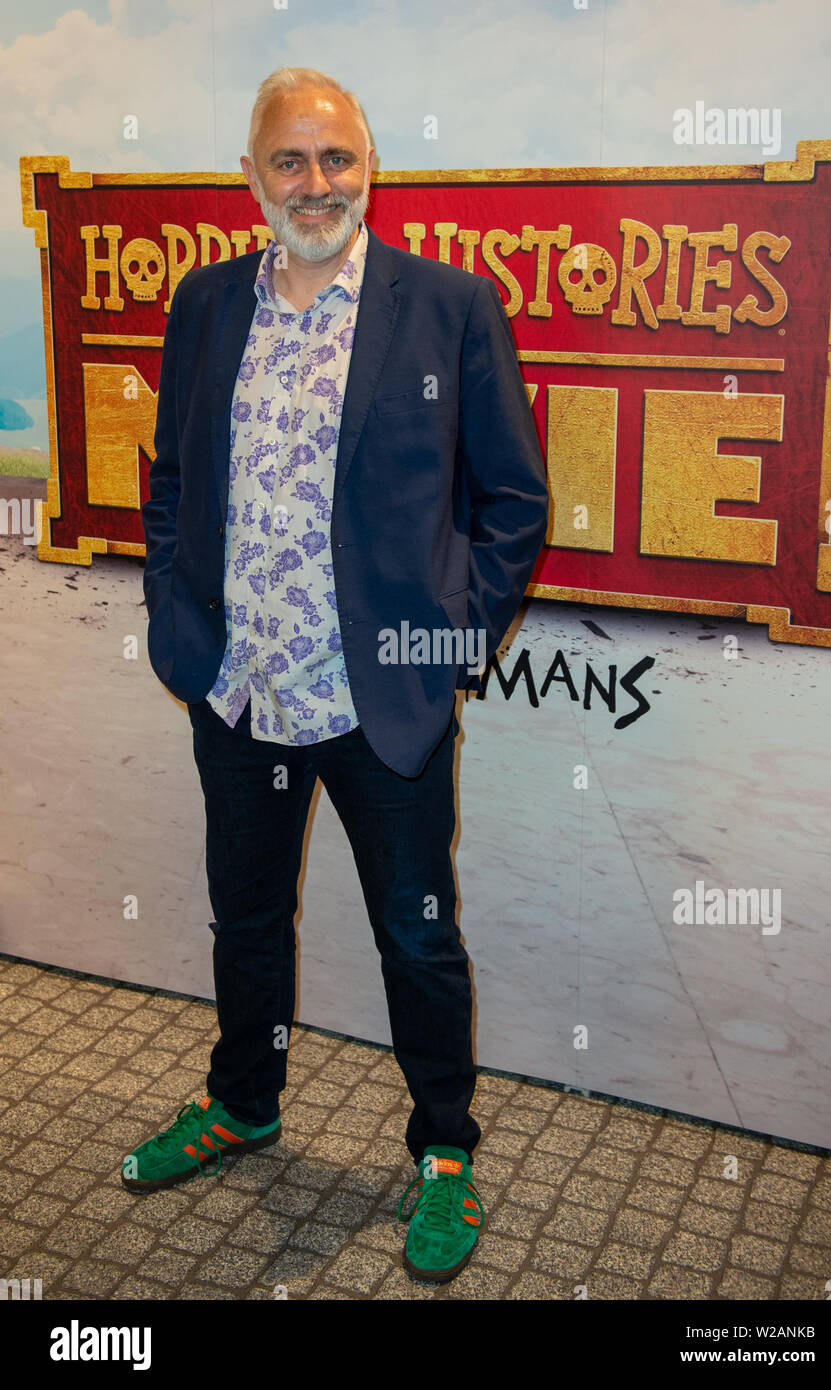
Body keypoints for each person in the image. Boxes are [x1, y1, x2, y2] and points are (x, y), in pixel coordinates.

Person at [129, 65, 549, 1285]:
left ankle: (444, 1152)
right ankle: (242, 1100)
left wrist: (448, 643)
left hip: (383, 704)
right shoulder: (206, 306)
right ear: (250, 176)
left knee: (416, 939)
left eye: (338, 160)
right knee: (245, 921)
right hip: (239, 690)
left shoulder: (450, 309)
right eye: (290, 162)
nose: (316, 185)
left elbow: (513, 502)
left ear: (370, 169)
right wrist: (177, 626)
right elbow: (173, 483)